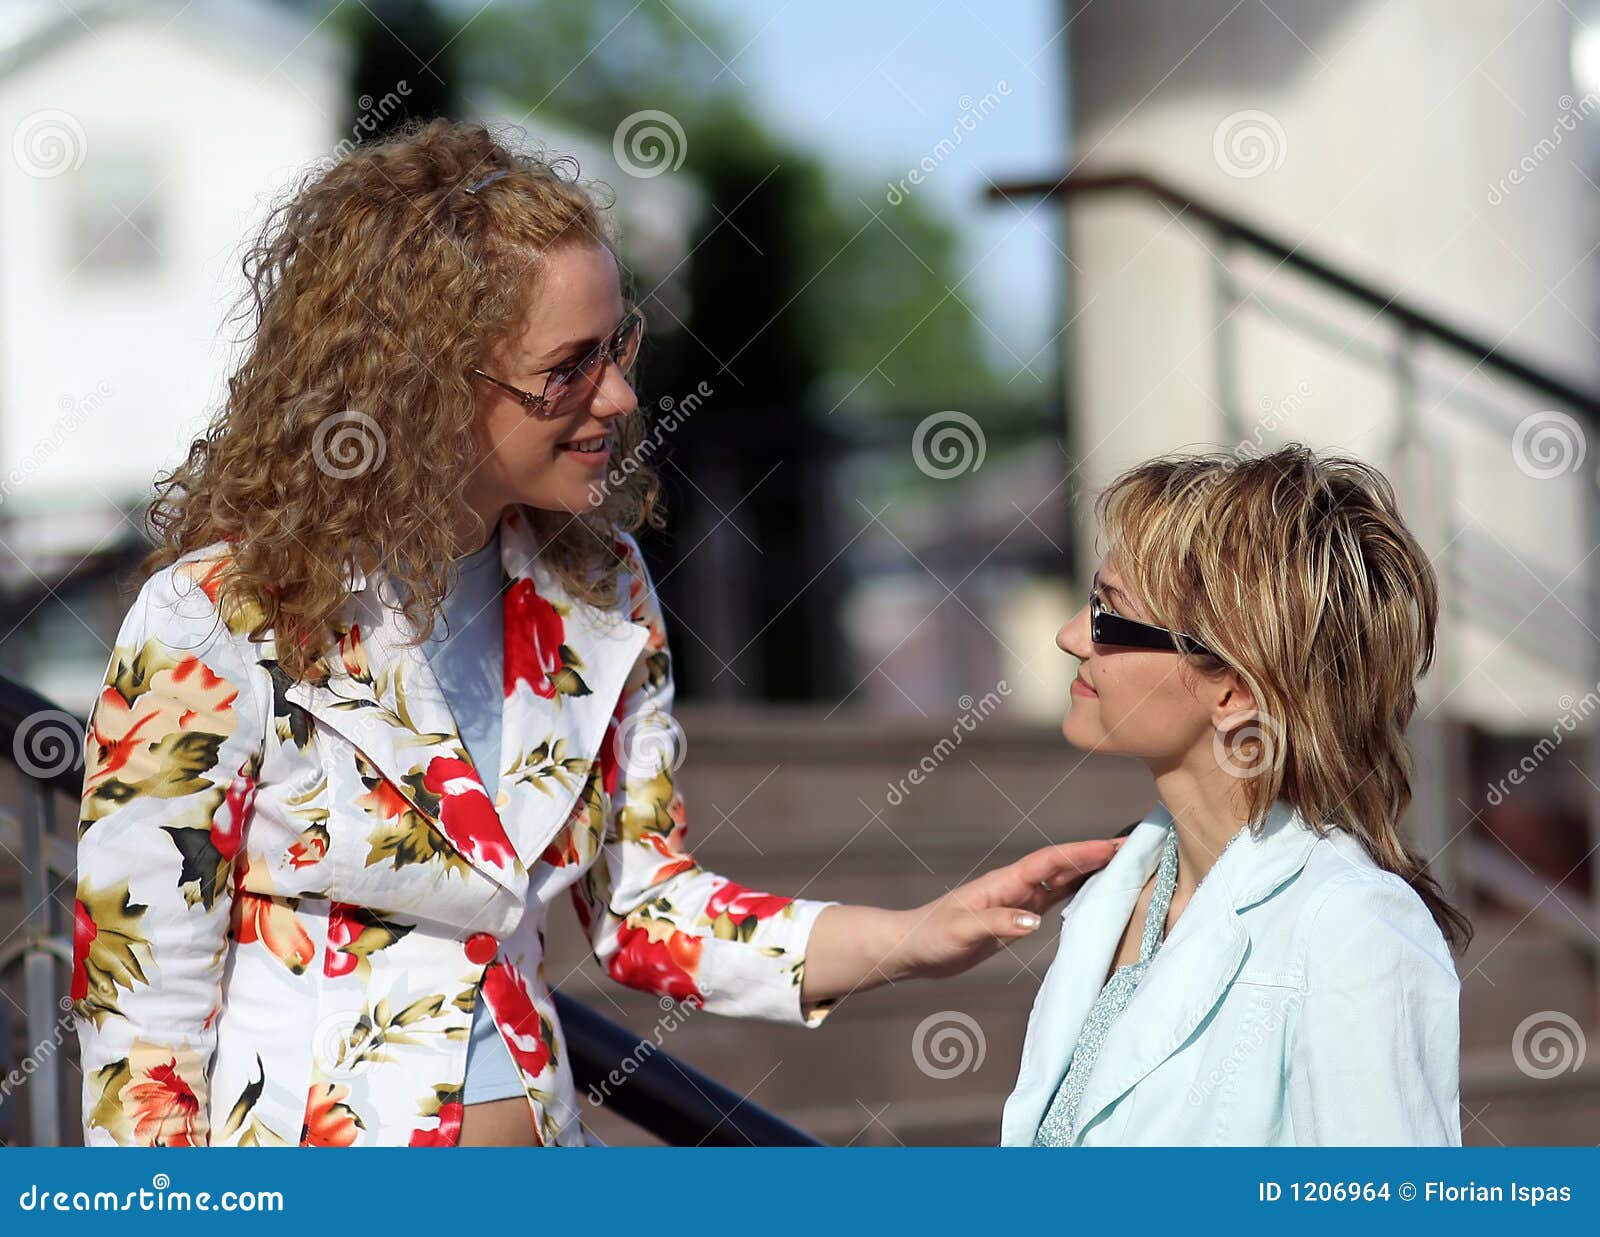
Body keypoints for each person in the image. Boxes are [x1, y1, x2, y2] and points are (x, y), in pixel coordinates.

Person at [71, 118, 1121, 1148]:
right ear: (420, 383)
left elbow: (639, 908)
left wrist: (907, 938)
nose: (618, 395)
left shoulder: (601, 584)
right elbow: (141, 1013)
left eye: (619, 346)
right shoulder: (218, 615)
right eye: (567, 367)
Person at [1001, 444, 1470, 1146]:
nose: (1072, 637)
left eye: (1107, 614)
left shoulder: (1348, 928)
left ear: (1235, 691)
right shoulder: (1123, 886)